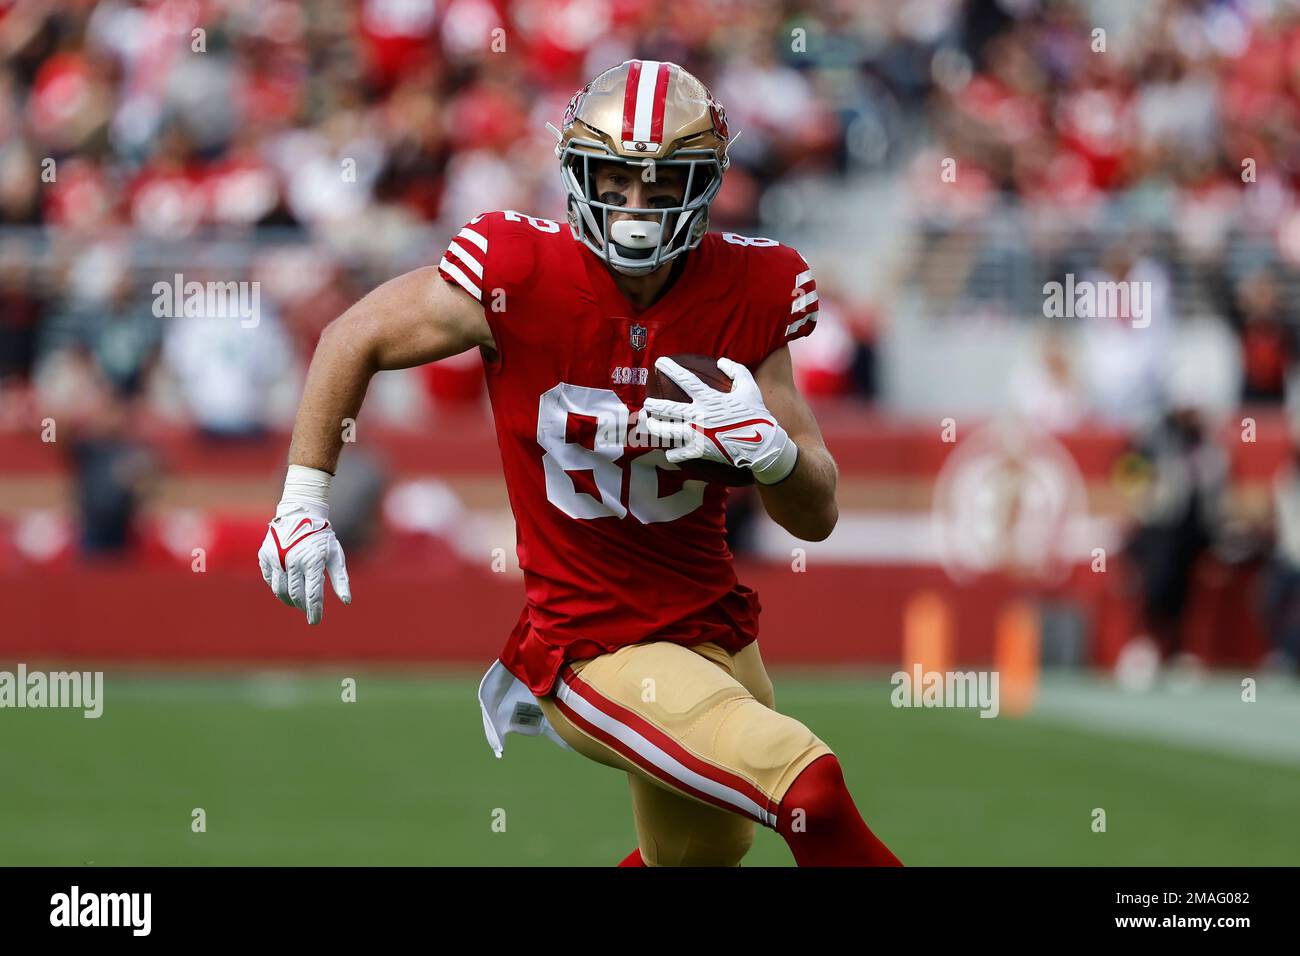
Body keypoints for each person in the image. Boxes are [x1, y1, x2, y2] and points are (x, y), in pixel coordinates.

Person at [256, 61, 900, 868]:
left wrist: (772, 455)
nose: (634, 207)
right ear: (576, 174)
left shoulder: (751, 288)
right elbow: (355, 335)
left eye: (662, 184)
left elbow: (818, 513)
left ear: (704, 187)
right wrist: (303, 498)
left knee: (696, 859)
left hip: (711, 627)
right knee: (811, 793)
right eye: (614, 180)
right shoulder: (517, 272)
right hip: (593, 643)